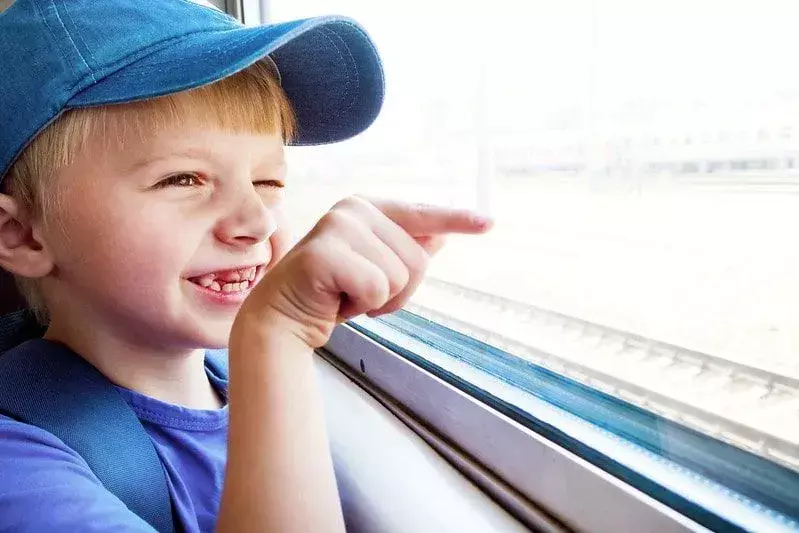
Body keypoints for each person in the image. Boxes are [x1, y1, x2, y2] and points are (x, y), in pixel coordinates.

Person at [0, 0, 492, 531]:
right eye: (183, 179)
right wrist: (275, 338)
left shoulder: (241, 384)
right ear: (23, 235)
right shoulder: (19, 466)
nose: (256, 221)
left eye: (268, 182)